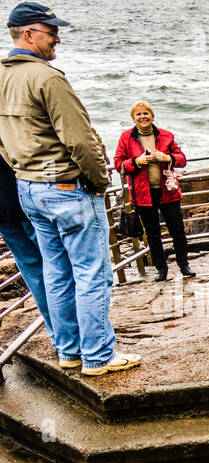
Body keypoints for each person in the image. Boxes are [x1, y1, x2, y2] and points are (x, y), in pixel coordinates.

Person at [0, 3, 140, 376]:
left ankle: (70, 350)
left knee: (56, 273)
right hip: (66, 188)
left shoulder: (1, 77)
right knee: (92, 273)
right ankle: (98, 356)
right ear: (28, 34)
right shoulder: (47, 78)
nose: (57, 37)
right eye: (51, 31)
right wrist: (97, 182)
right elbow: (79, 140)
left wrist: (21, 171)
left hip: (29, 188)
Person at [113, 101, 192, 282]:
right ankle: (161, 269)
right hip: (143, 195)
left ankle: (184, 265)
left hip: (168, 191)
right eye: (138, 114)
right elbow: (119, 163)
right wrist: (137, 162)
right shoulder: (126, 137)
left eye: (146, 113)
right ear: (133, 119)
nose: (143, 117)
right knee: (152, 234)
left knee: (177, 230)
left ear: (152, 116)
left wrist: (167, 157)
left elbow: (182, 159)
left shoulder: (166, 135)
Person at [0, 154, 49, 331]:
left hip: (4, 214)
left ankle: (55, 331)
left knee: (33, 273)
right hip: (27, 205)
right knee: (56, 267)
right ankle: (68, 332)